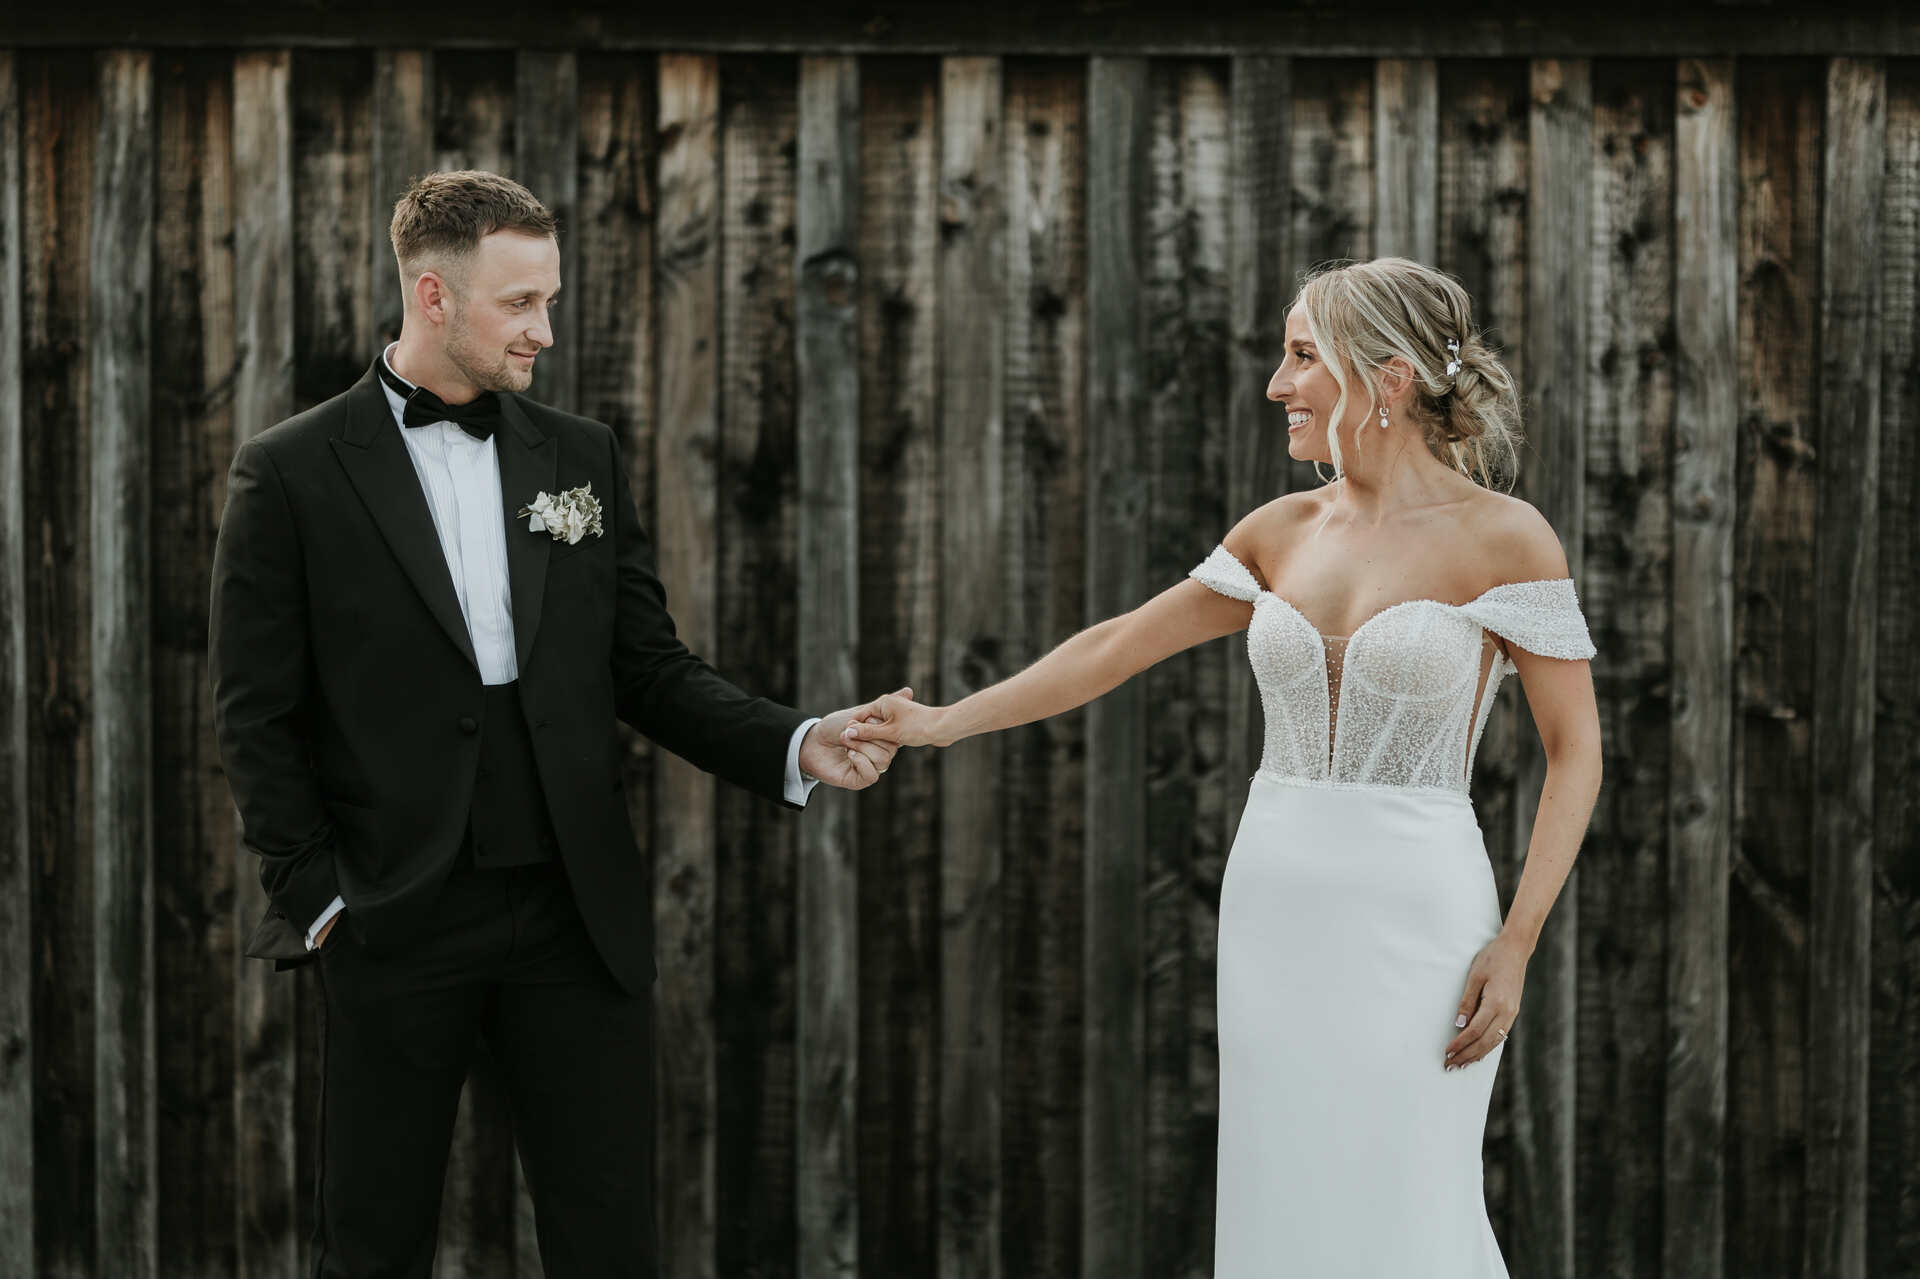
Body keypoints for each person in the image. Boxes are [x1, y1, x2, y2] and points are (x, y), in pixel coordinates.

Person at [846, 257, 1603, 1275]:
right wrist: (940, 723)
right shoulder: (1282, 530)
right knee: (1284, 1185)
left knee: (1409, 1185)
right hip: (1275, 909)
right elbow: (1114, 646)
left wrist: (1517, 940)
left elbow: (1576, 751)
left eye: (1301, 357)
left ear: (1384, 378)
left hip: (1420, 915)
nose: (1275, 384)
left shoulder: (1508, 539)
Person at [209, 169, 900, 1276]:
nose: (544, 330)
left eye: (551, 300)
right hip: (392, 916)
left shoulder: (578, 456)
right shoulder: (290, 472)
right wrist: (322, 900)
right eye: (519, 303)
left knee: (608, 1240)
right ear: (433, 296)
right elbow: (255, 712)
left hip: (574, 916)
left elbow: (648, 666)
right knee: (373, 1241)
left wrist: (794, 739)